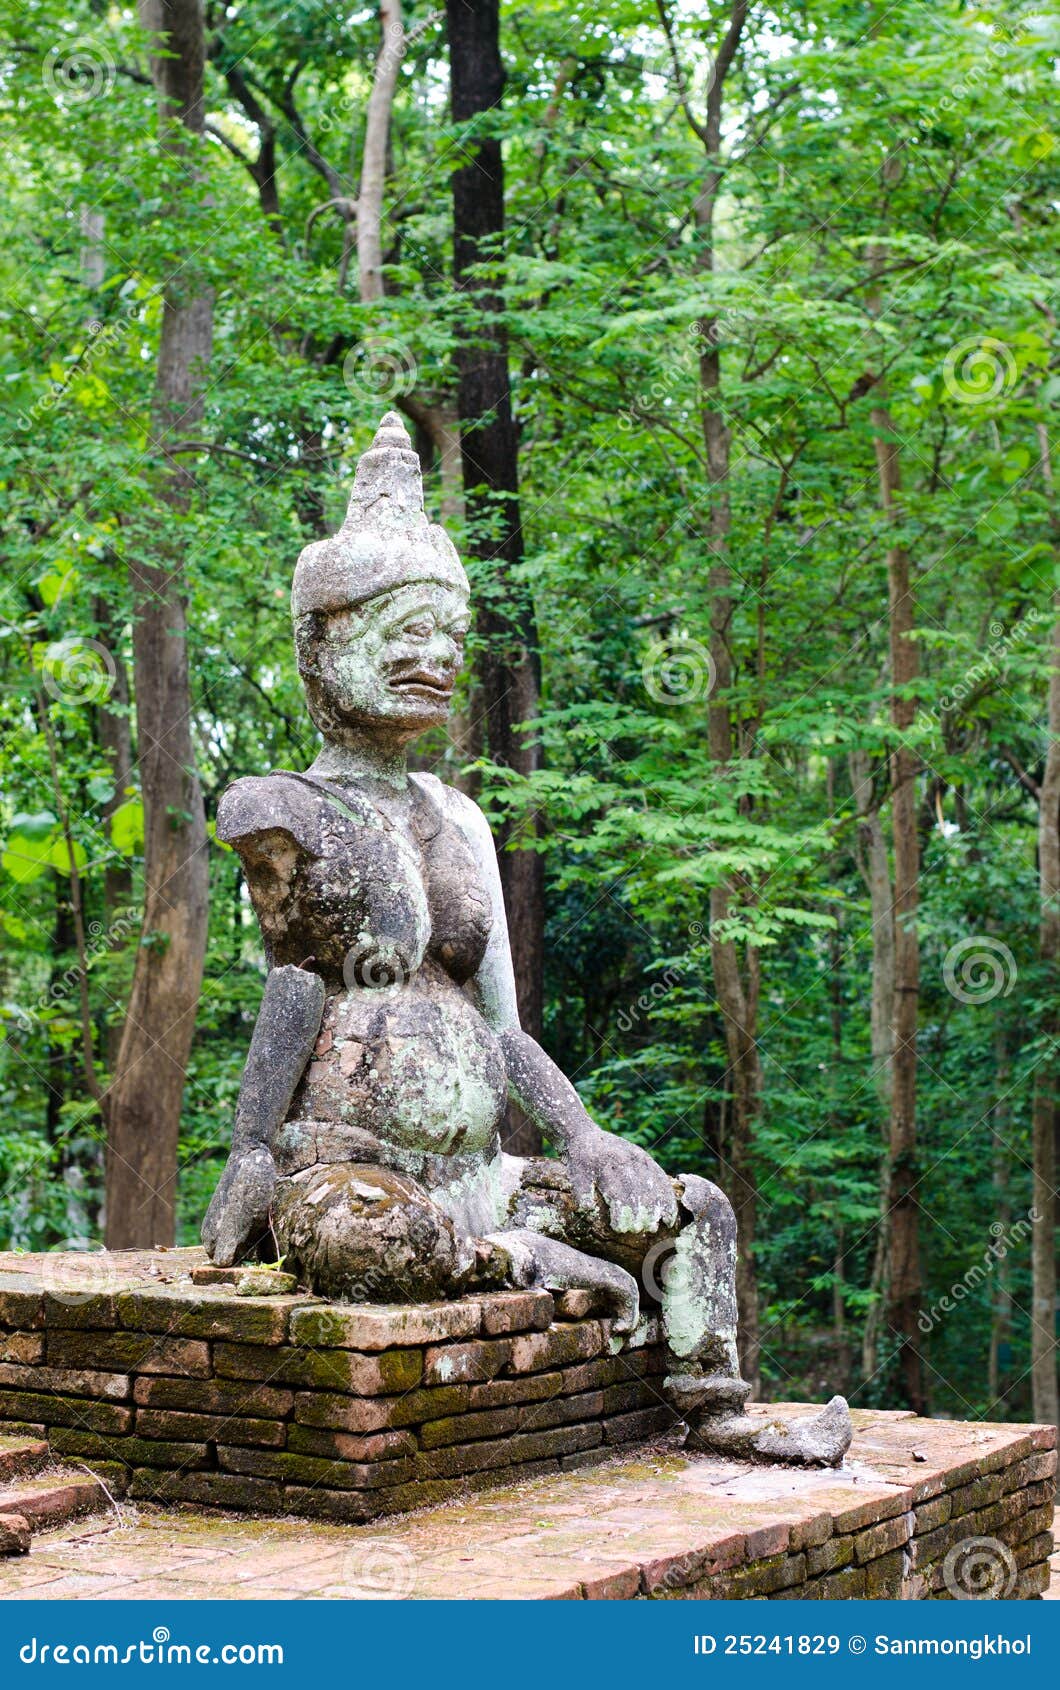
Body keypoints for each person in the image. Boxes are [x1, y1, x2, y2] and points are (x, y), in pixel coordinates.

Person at [202, 413, 850, 1465]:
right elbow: (294, 997)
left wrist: (584, 1137)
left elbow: (501, 1028)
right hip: (353, 1169)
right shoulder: (280, 810)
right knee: (373, 1245)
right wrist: (248, 1150)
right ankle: (533, 1259)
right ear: (323, 646)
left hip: (484, 1175)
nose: (435, 659)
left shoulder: (462, 821)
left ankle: (712, 1407)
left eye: (449, 638)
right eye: (402, 633)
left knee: (693, 1210)